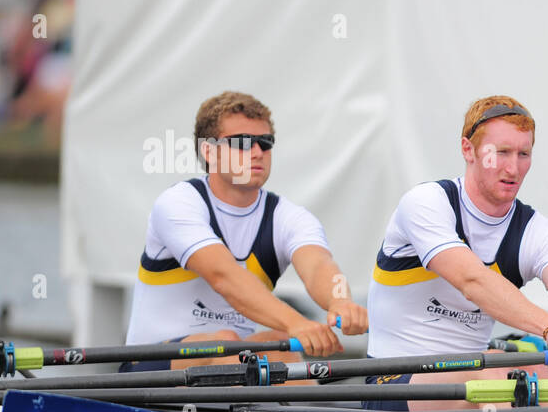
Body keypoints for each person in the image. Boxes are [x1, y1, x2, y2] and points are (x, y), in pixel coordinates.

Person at [365, 95, 548, 410]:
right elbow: (473, 281)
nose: (514, 167)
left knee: (535, 371)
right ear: (468, 150)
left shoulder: (536, 231)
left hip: (470, 379)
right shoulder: (426, 204)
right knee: (495, 371)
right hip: (391, 382)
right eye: (501, 153)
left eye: (524, 153)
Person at [123, 91, 367, 371]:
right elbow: (224, 277)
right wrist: (297, 323)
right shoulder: (179, 203)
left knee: (281, 347)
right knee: (229, 341)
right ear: (209, 151)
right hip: (147, 372)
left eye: (265, 143)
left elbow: (319, 266)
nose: (256, 152)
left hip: (232, 368)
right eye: (242, 143)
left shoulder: (289, 217)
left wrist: (341, 302)